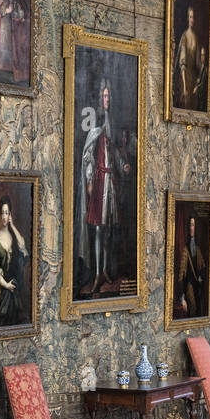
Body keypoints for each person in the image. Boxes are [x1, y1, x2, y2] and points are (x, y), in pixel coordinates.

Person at [79, 81, 130, 294]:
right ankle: (98, 272)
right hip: (100, 181)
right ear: (101, 99)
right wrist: (90, 179)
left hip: (111, 182)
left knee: (108, 230)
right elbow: (89, 155)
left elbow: (115, 152)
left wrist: (122, 164)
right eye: (105, 96)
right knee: (99, 229)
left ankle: (107, 270)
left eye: (110, 96)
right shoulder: (96, 125)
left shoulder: (112, 125)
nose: (107, 100)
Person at [0, 195, 28, 325]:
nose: (4, 216)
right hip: (1, 288)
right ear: (0, 214)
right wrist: (7, 286)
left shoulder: (14, 236)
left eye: (7, 213)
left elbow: (23, 247)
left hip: (14, 285)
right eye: (2, 213)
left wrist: (13, 225)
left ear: (10, 215)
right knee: (5, 309)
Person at [174, 4, 204, 110]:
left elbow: (199, 63)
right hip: (184, 77)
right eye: (190, 17)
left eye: (194, 17)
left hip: (193, 77)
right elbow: (182, 64)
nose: (192, 19)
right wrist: (184, 87)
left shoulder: (196, 37)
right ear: (187, 18)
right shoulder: (184, 36)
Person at [177, 214, 207, 318]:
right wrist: (182, 298)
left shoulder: (198, 248)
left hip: (199, 287)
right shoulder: (185, 249)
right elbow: (181, 275)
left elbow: (202, 267)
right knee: (192, 310)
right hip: (188, 286)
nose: (191, 228)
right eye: (190, 225)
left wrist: (200, 278)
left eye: (193, 225)